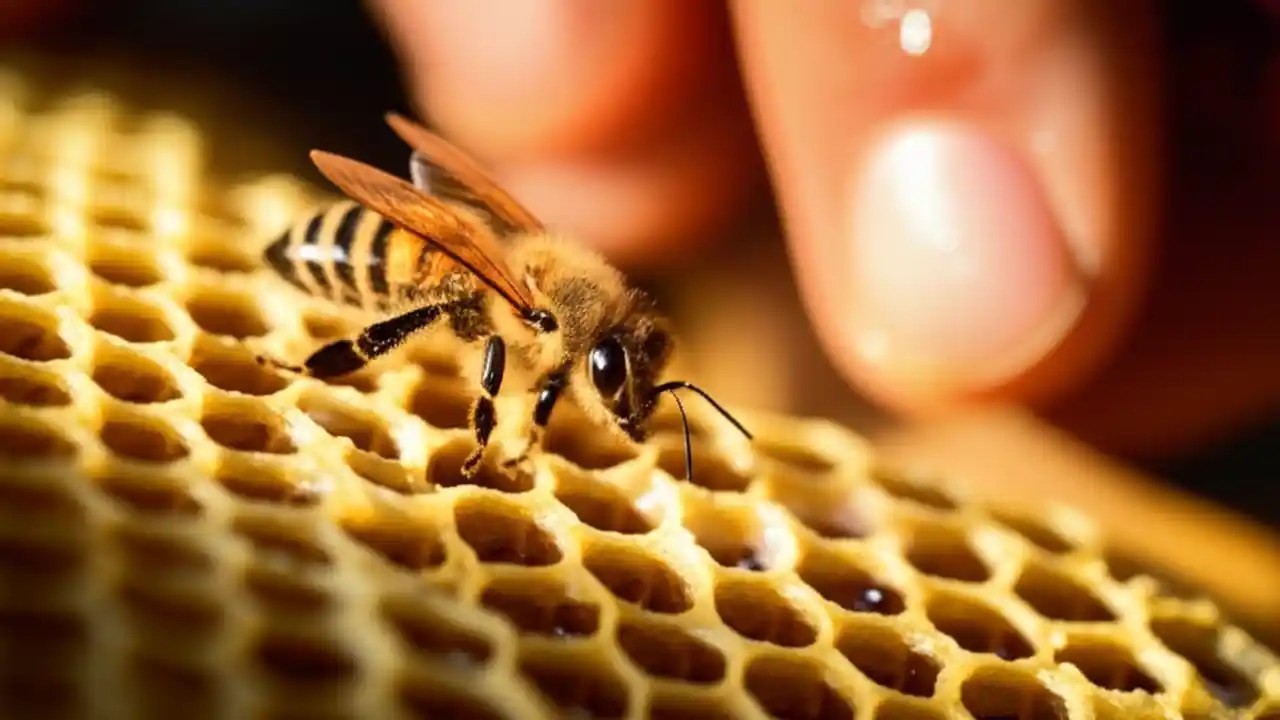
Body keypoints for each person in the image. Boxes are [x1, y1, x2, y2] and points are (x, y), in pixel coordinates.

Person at [10, 1, 1279, 463]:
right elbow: (482, 303)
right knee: (443, 306)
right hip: (327, 201)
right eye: (613, 381)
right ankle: (310, 365)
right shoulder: (540, 310)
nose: (617, 398)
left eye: (620, 384)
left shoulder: (574, 289)